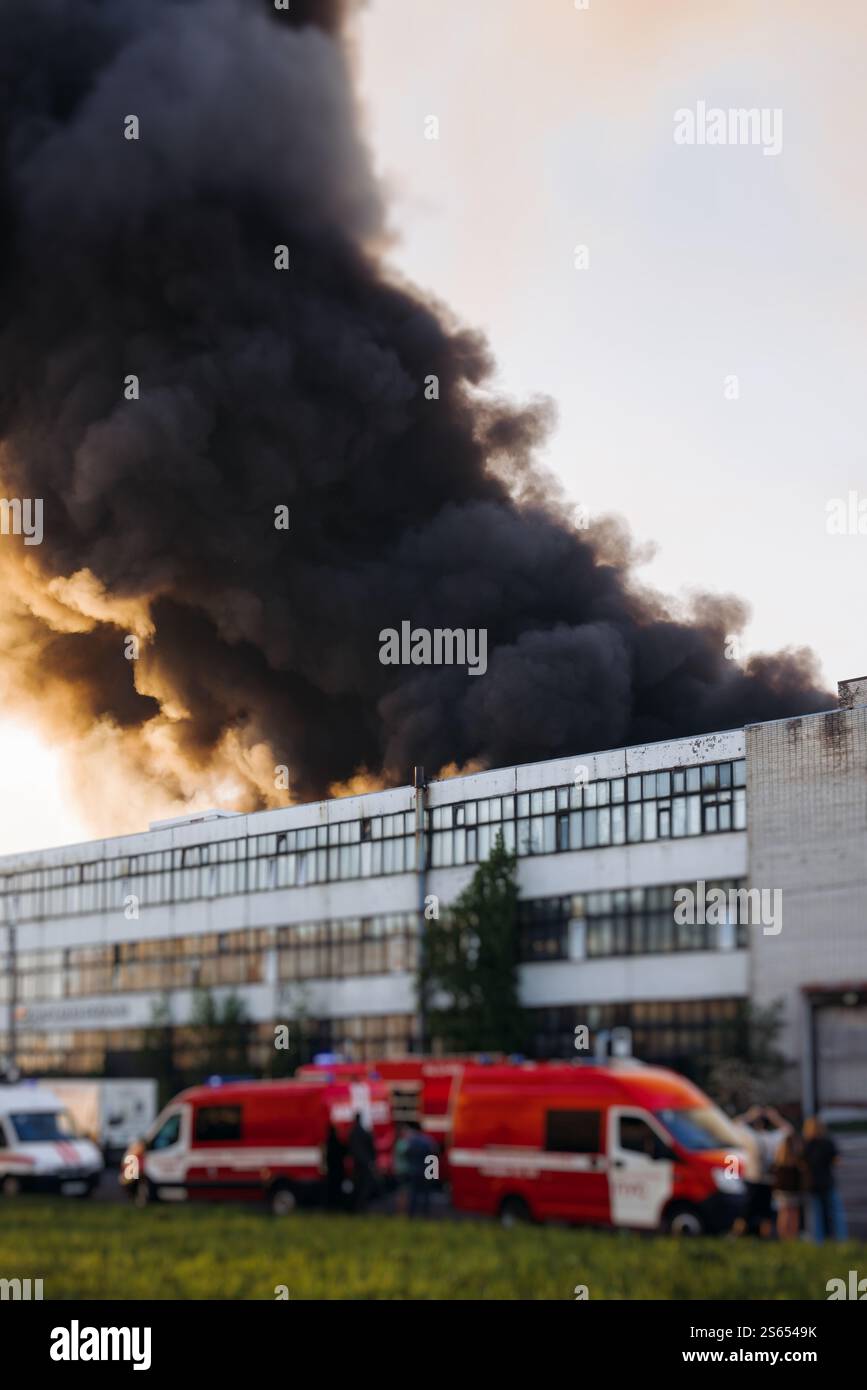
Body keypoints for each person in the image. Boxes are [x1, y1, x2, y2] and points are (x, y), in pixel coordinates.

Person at [732, 1105, 790, 1237]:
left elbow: (733, 1125)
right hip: (768, 1180)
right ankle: (766, 1237)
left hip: (752, 1179)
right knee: (766, 1213)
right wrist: (775, 1117)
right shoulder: (773, 1138)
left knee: (745, 1212)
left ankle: (737, 1235)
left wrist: (749, 1115)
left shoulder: (750, 1137)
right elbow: (788, 1130)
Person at [803, 1117, 846, 1241]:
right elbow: (837, 1161)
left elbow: (802, 1164)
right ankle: (840, 1240)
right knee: (835, 1214)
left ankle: (818, 1242)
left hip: (811, 1183)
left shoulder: (806, 1144)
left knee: (816, 1216)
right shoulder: (828, 1142)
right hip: (827, 1181)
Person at [771, 1132, 804, 1240]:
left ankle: (782, 1235)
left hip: (780, 1190)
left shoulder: (778, 1159)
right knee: (793, 1214)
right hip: (793, 1190)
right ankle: (792, 1236)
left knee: (783, 1213)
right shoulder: (796, 1160)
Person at [405, 1121, 438, 1218]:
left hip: (414, 1170)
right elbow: (434, 1155)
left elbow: (407, 1154)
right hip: (426, 1170)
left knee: (413, 1193)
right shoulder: (428, 1140)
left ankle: (411, 1214)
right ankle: (425, 1213)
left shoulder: (412, 1141)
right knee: (426, 1193)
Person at [348, 1112, 377, 1213]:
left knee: (357, 1186)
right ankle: (362, 1207)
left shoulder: (352, 1133)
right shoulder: (364, 1132)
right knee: (365, 1186)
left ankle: (356, 1207)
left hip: (357, 1164)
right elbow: (372, 1147)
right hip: (365, 1163)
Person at [325, 1123, 346, 1211]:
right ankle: (337, 1205)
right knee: (337, 1190)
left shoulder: (328, 1142)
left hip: (331, 1170)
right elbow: (343, 1151)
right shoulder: (336, 1142)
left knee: (331, 1190)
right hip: (337, 1170)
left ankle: (331, 1205)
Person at [392, 1122, 412, 1215]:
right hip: (402, 1171)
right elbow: (408, 1152)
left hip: (399, 1170)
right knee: (403, 1192)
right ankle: (401, 1210)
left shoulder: (398, 1142)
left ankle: (400, 1210)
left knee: (401, 1191)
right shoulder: (402, 1143)